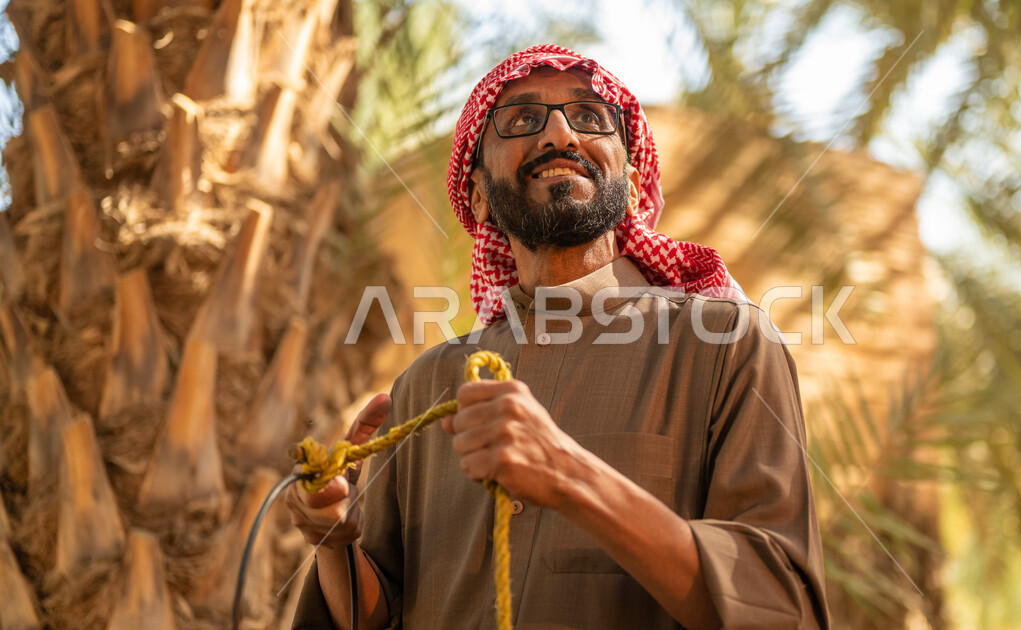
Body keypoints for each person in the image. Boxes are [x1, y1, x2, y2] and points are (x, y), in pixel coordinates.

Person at [287, 44, 830, 630]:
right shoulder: (425, 387)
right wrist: (333, 543)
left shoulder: (728, 344)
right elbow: (381, 617)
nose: (559, 136)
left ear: (630, 177)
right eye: (523, 120)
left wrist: (567, 474)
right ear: (476, 196)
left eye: (590, 118)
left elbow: (779, 605)